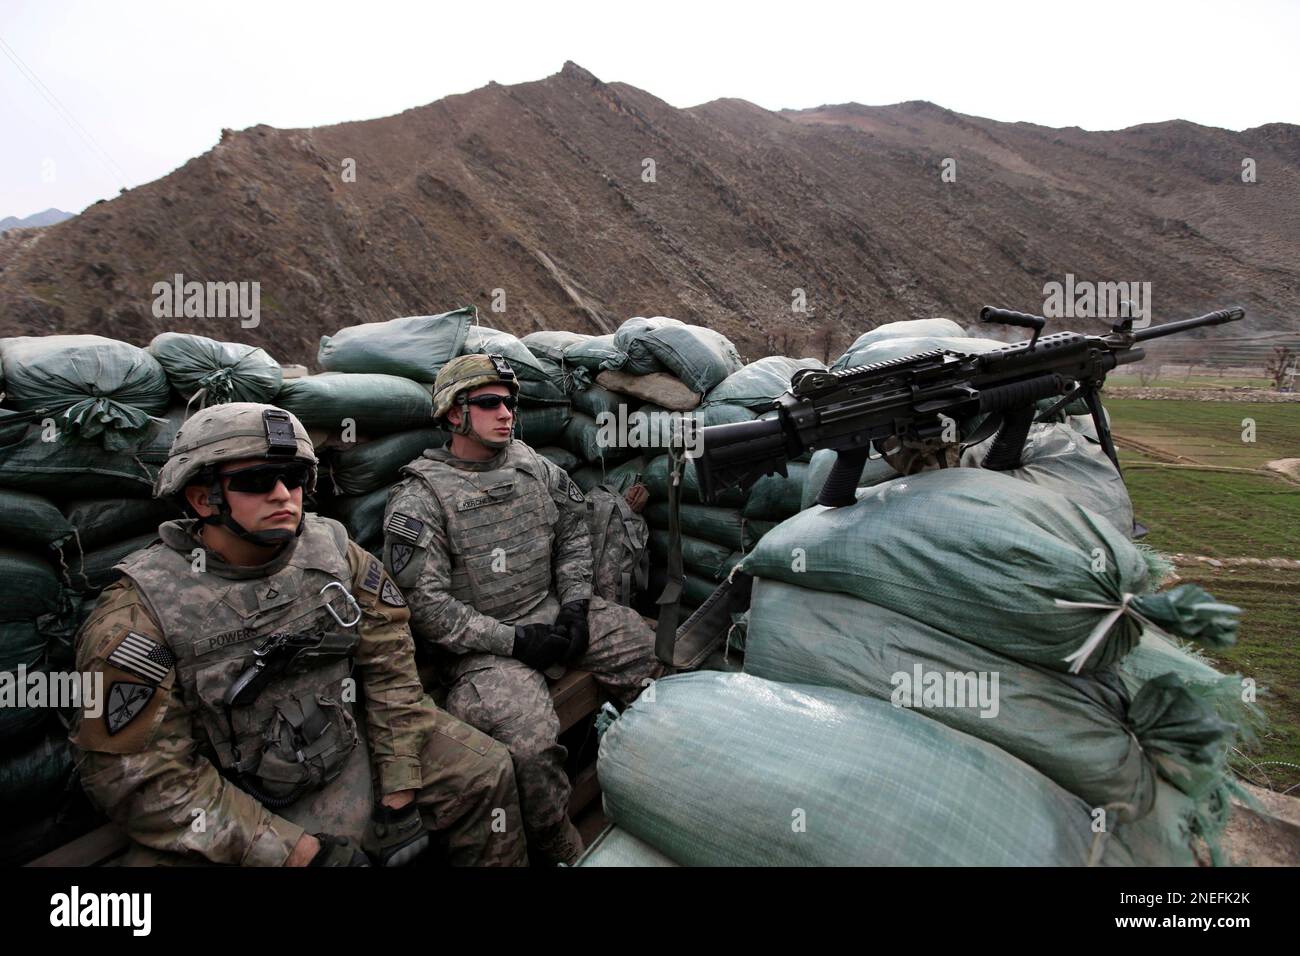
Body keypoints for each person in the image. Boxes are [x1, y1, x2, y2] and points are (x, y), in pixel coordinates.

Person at [69, 403, 528, 867]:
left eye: (293, 479)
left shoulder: (332, 550)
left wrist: (400, 789)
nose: (282, 495)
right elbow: (138, 777)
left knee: (485, 771)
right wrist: (295, 852)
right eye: (255, 482)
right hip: (238, 799)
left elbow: (389, 666)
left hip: (349, 747)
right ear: (203, 499)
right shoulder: (141, 615)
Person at [382, 354, 665, 865]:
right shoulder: (420, 498)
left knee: (642, 652)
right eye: (488, 403)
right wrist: (514, 641)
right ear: (453, 413)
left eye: (510, 402)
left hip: (554, 610)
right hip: (487, 650)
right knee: (530, 746)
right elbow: (427, 608)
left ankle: (649, 774)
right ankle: (553, 834)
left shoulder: (532, 463)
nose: (506, 413)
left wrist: (577, 604)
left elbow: (574, 530)